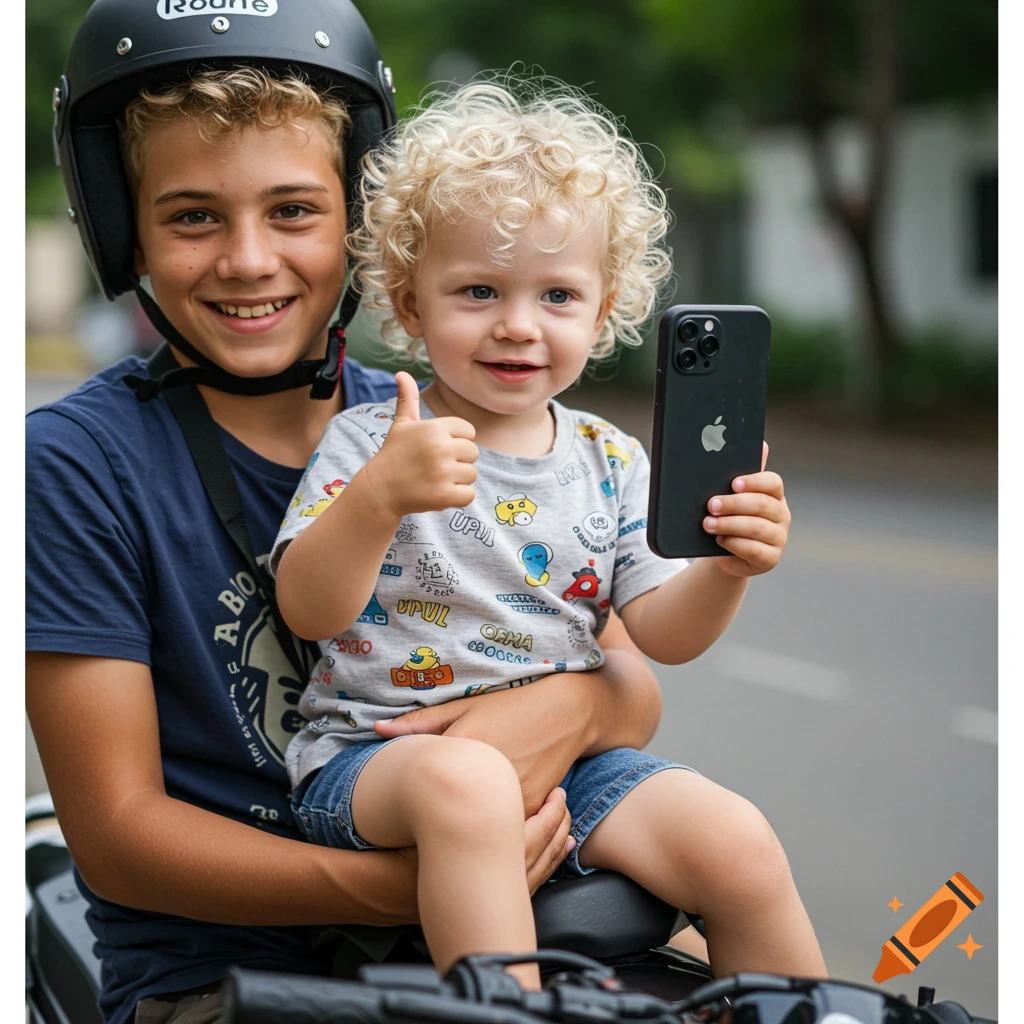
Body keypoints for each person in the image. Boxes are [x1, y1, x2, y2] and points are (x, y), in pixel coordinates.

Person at [26, 5, 668, 1023]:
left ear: (363, 227)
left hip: (513, 920)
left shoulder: (448, 415)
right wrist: (399, 879)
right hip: (225, 978)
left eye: (293, 211)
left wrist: (579, 707)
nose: (247, 259)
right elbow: (120, 832)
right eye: (193, 216)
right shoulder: (76, 465)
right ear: (122, 224)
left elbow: (630, 680)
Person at [271, 78, 826, 989]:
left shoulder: (611, 461)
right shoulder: (376, 440)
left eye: (558, 295)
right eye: (479, 290)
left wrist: (727, 567)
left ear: (604, 312)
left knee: (737, 841)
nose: (518, 326)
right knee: (473, 785)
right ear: (410, 306)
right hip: (376, 764)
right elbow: (309, 607)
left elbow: (664, 638)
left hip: (570, 771)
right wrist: (377, 501)